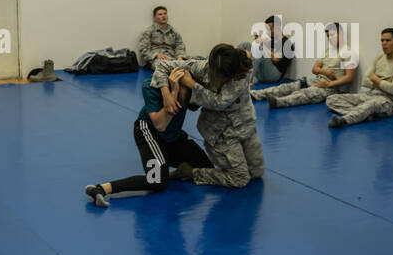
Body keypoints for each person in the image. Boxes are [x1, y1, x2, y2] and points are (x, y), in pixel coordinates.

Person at [83, 65, 214, 206]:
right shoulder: (150, 86)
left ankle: (174, 170)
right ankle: (101, 189)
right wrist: (174, 93)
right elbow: (161, 125)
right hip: (149, 131)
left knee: (206, 168)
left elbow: (197, 104)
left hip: (173, 134)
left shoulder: (190, 84)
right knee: (157, 181)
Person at [163, 45, 265, 189]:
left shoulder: (243, 69)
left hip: (244, 124)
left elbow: (219, 102)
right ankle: (190, 172)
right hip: (220, 133)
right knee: (240, 178)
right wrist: (166, 94)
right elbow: (163, 66)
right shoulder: (203, 67)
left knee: (256, 172)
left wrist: (192, 84)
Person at [250, 22, 356, 108]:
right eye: (328, 36)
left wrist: (328, 84)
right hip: (317, 80)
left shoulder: (348, 52)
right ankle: (256, 94)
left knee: (305, 93)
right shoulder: (328, 51)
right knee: (287, 87)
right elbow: (314, 69)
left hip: (332, 88)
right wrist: (324, 71)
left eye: (332, 35)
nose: (330, 38)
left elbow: (349, 77)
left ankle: (278, 102)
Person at [324, 28, 393, 128]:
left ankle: (344, 120)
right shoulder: (379, 57)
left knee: (370, 104)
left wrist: (376, 79)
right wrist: (384, 82)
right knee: (331, 99)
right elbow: (365, 81)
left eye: (388, 40)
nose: (384, 43)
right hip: (370, 94)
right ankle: (365, 115)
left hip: (388, 101)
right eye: (382, 40)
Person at [240, 15, 295, 86]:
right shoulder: (271, 41)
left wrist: (263, 46)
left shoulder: (287, 43)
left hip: (273, 76)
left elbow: (275, 59)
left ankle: (248, 80)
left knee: (259, 50)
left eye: (269, 29)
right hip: (262, 73)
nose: (267, 32)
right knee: (245, 44)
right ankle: (234, 73)